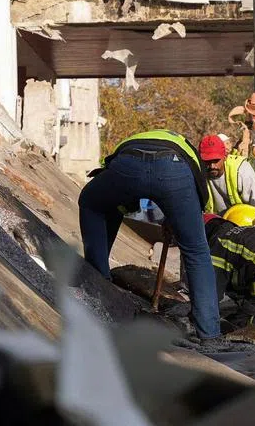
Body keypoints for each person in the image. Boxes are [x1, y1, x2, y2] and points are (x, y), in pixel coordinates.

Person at [78, 130, 221, 340]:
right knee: (196, 251)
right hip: (175, 170)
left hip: (128, 165)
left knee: (92, 203)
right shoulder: (189, 155)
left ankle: (98, 284)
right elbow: (199, 197)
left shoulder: (128, 142)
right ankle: (210, 333)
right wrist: (178, 221)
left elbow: (109, 172)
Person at [198, 134, 255, 211]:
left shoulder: (241, 169)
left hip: (244, 220)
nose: (212, 166)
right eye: (207, 161)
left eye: (216, 160)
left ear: (225, 156)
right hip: (216, 221)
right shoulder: (199, 174)